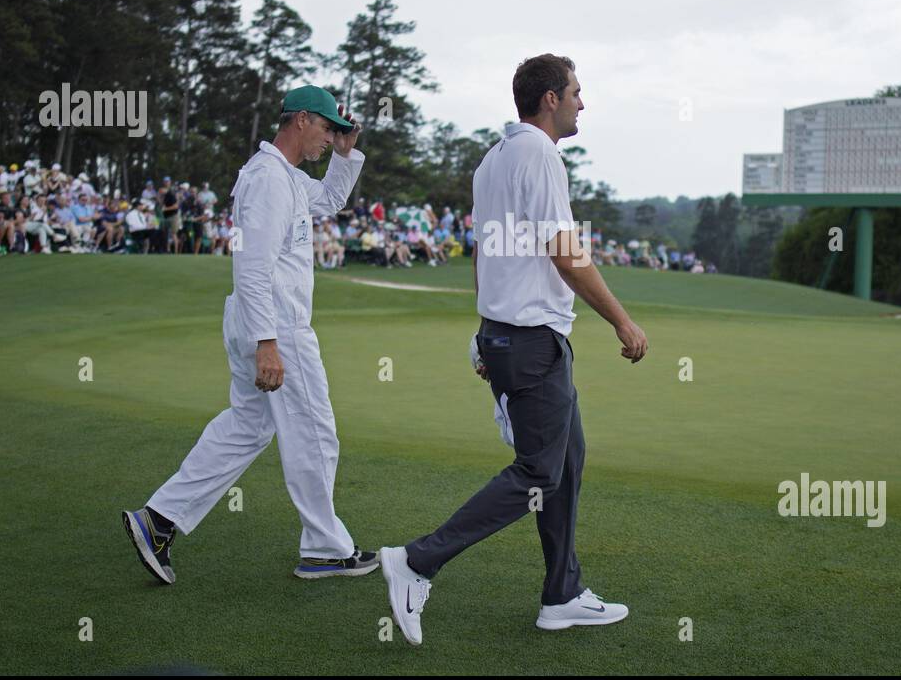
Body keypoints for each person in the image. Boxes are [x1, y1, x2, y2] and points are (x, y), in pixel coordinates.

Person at [380, 54, 648, 645]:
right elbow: (566, 253)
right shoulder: (539, 153)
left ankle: (562, 594)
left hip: (508, 336)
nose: (583, 102)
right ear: (550, 98)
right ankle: (418, 561)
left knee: (566, 461)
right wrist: (622, 322)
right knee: (538, 471)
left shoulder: (493, 159)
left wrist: (484, 331)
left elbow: (485, 252)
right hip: (532, 342)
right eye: (577, 91)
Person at [123, 86, 377, 584]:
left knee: (247, 428)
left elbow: (329, 200)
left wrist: (346, 156)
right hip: (276, 325)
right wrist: (268, 343)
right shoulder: (267, 179)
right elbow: (253, 266)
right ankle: (325, 548)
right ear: (301, 120)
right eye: (327, 129)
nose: (330, 138)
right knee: (315, 432)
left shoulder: (284, 177)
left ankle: (158, 520)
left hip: (263, 321)